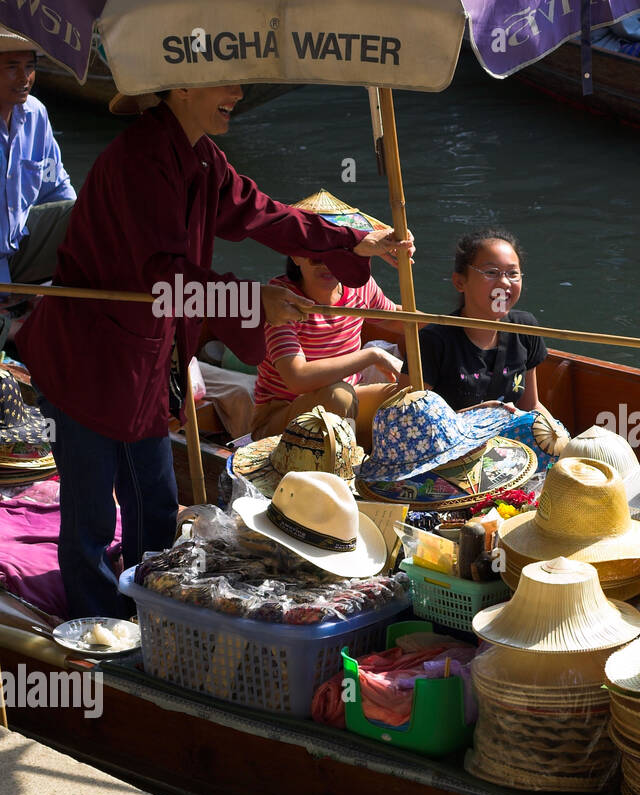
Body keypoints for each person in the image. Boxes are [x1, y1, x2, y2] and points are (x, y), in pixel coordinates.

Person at [14, 85, 413, 619]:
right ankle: (96, 629)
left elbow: (260, 212)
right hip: (88, 360)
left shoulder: (199, 154)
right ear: (181, 85)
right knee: (89, 515)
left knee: (154, 503)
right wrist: (254, 300)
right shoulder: (140, 160)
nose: (238, 92)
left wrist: (346, 242)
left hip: (144, 362)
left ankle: (153, 614)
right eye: (224, 81)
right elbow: (163, 282)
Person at [252, 195, 410, 448]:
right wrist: (373, 356)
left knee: (409, 395)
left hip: (344, 402)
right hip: (279, 419)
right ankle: (343, 468)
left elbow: (397, 319)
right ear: (296, 256)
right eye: (317, 257)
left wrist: (459, 323)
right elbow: (298, 379)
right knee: (339, 396)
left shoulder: (361, 288)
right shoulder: (282, 300)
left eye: (338, 256)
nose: (328, 266)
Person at [409, 228, 546, 412]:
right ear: (460, 282)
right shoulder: (432, 341)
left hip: (509, 440)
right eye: (491, 272)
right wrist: (483, 413)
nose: (504, 283)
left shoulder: (525, 328)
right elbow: (407, 421)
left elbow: (530, 406)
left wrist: (560, 436)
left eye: (512, 273)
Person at [0, 31, 75, 291]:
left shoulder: (36, 113)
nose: (24, 78)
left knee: (86, 215)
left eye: (29, 67)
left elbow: (55, 186)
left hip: (19, 242)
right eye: (12, 68)